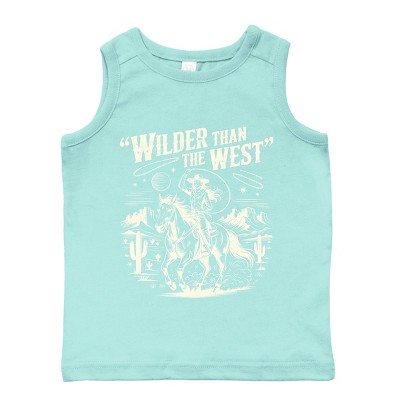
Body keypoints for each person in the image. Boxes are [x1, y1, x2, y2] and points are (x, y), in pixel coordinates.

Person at [179, 170, 219, 256]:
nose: (196, 183)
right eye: (195, 182)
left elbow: (210, 206)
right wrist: (185, 175)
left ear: (201, 183)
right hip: (191, 215)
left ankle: (208, 248)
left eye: (198, 182)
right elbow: (181, 186)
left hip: (200, 215)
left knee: (202, 229)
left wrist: (202, 210)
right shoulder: (191, 192)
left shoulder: (204, 193)